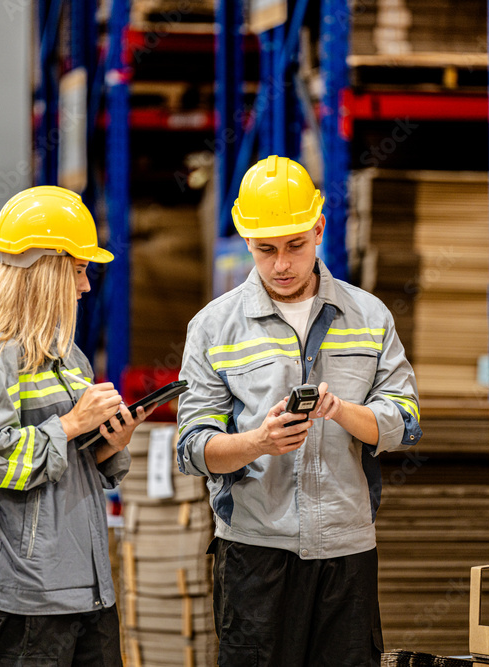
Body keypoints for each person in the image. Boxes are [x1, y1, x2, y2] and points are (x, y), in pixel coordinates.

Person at [177, 155, 422, 666]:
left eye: (295, 246)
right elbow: (194, 446)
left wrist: (341, 411)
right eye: (266, 250)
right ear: (247, 240)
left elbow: (406, 422)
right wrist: (257, 442)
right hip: (254, 556)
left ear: (319, 229)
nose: (281, 264)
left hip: (346, 553)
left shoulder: (369, 316)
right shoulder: (212, 327)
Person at [0, 185, 152, 665]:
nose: (85, 286)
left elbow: (76, 460)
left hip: (90, 582)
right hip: (29, 590)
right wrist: (72, 422)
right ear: (44, 273)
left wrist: (109, 442)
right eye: (78, 271)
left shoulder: (71, 358)